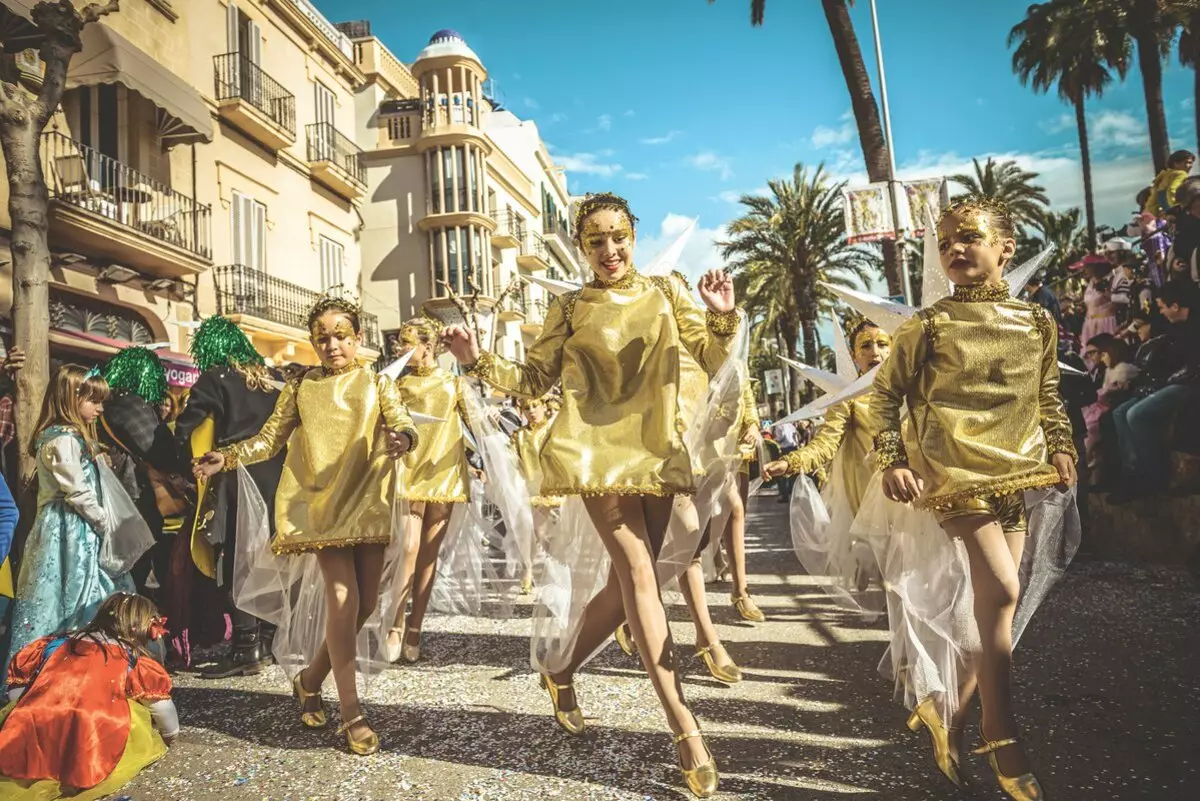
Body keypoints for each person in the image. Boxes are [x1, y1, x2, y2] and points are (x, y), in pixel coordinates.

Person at [443, 192, 738, 797]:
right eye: (596, 240)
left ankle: (559, 668)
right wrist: (477, 362)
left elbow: (710, 356)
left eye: (619, 236)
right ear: (582, 246)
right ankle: (685, 727)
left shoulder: (668, 290)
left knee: (631, 584)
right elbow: (533, 379)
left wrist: (721, 316)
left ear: (634, 235)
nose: (610, 250)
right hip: (594, 452)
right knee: (636, 574)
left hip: (657, 449)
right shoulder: (571, 307)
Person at [866, 197, 1078, 800]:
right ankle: (1001, 733)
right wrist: (894, 459)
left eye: (971, 237)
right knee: (1005, 590)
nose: (956, 248)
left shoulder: (1037, 322)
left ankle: (946, 713)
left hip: (1014, 477)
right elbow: (884, 399)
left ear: (1005, 248)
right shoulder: (928, 326)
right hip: (951, 476)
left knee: (992, 611)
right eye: (946, 242)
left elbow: (1048, 395)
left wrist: (1060, 445)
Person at [193, 292, 419, 756]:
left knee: (365, 604)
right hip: (319, 505)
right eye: (322, 338)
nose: (332, 345)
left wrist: (403, 437)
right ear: (313, 343)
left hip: (368, 501)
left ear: (358, 339)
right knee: (343, 597)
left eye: (341, 336)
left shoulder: (377, 383)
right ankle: (352, 712)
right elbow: (270, 439)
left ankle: (310, 680)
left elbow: (402, 420)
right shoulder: (300, 387)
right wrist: (228, 457)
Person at [172, 315, 284, 678]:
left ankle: (246, 646)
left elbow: (187, 427)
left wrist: (179, 462)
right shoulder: (273, 380)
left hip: (235, 474)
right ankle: (269, 640)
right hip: (278, 477)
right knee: (272, 558)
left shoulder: (215, 378)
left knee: (237, 559)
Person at [762, 319, 891, 613]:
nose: (875, 352)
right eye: (866, 346)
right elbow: (825, 444)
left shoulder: (912, 389)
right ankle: (906, 653)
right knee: (894, 581)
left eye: (883, 344)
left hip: (911, 497)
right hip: (870, 499)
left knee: (910, 578)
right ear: (855, 356)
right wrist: (790, 461)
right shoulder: (847, 400)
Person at [0, 593, 177, 801]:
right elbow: (161, 707)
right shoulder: (130, 659)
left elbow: (16, 693)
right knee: (129, 709)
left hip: (36, 722)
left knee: (34, 711)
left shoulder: (55, 644)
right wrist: (170, 734)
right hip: (91, 731)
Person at [385, 316, 473, 664]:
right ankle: (394, 624)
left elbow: (475, 424)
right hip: (408, 470)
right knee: (407, 547)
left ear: (426, 345)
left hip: (444, 471)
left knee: (428, 554)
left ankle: (416, 626)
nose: (400, 349)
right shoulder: (397, 385)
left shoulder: (453, 384)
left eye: (406, 342)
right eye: (400, 342)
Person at [99, 347, 181, 598]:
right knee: (134, 566)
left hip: (113, 494)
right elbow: (158, 449)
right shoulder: (131, 403)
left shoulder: (108, 401)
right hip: (134, 496)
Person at [1110, 280, 1200, 502]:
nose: (1161, 311)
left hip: (1189, 385)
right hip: (1172, 382)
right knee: (1119, 412)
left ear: (1176, 306)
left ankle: (1152, 478)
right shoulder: (1176, 328)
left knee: (1137, 414)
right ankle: (1132, 474)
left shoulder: (1193, 328)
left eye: (1163, 307)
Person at [1144, 149, 1196, 217]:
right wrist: (1177, 209)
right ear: (1176, 163)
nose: (1190, 166)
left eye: (1191, 163)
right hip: (1171, 213)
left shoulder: (1164, 176)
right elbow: (1172, 190)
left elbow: (1154, 197)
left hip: (1157, 214)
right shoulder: (1181, 174)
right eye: (1187, 162)